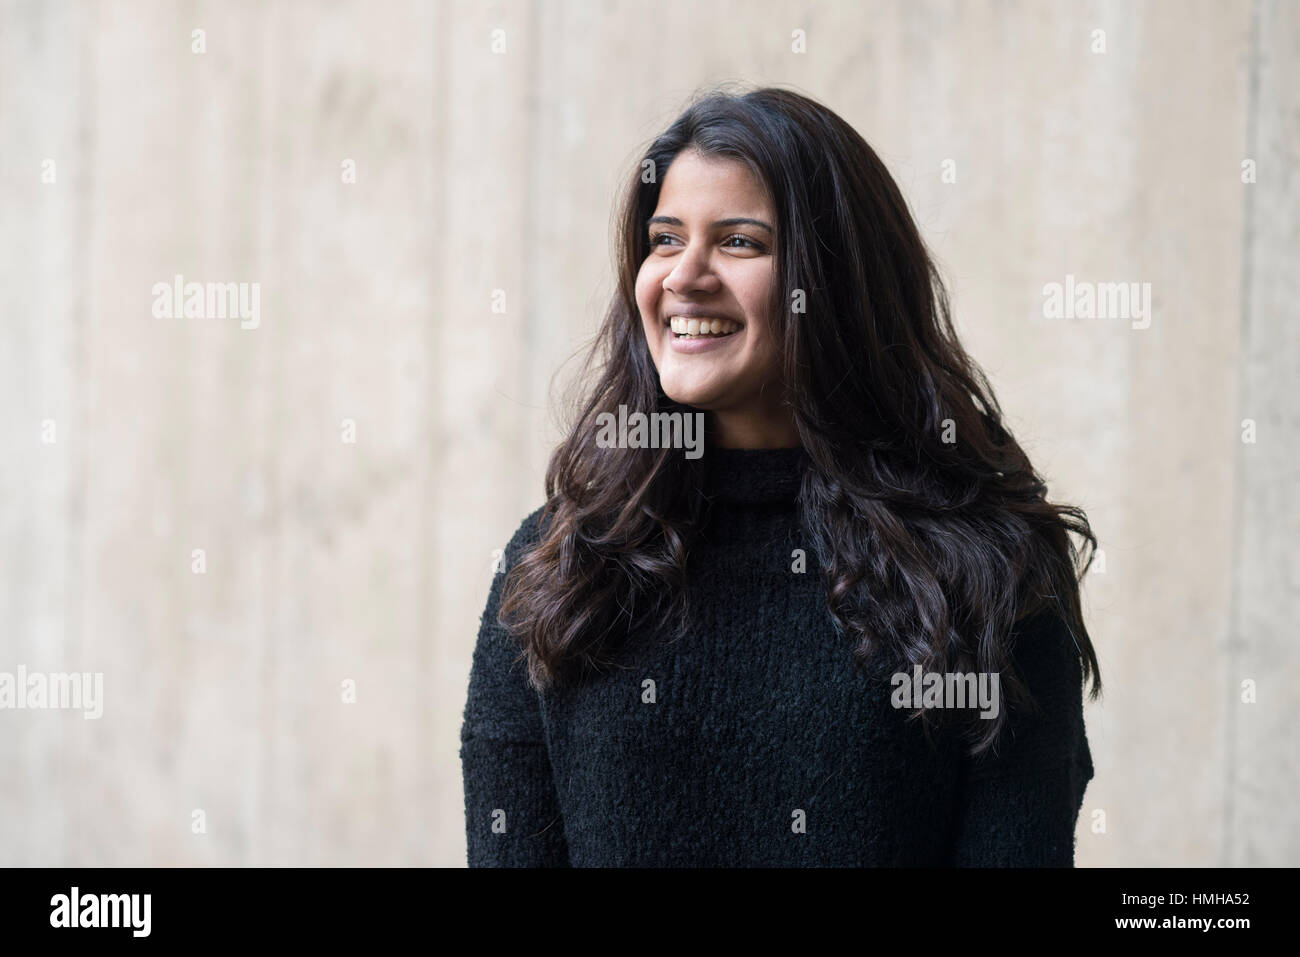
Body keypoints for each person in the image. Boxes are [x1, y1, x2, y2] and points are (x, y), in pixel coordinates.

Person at [460, 85, 1101, 867]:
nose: (684, 275)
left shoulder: (984, 567)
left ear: (834, 280)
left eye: (738, 242)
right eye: (665, 239)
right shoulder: (560, 569)